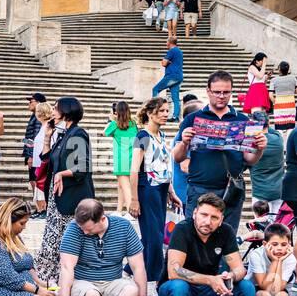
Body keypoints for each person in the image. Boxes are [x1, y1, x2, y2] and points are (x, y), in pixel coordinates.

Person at [172, 70, 268, 233]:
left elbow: (250, 160)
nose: (222, 96)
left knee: (226, 239)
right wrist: (184, 143)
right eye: (217, 92)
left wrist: (259, 148)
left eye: (226, 92)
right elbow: (177, 157)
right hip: (199, 188)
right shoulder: (192, 118)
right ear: (208, 91)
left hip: (230, 189)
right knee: (193, 237)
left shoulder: (243, 120)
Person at [160, 193, 255, 296]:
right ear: (194, 213)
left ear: (221, 220)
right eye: (204, 215)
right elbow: (174, 271)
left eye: (214, 217)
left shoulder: (226, 231)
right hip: (177, 290)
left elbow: (240, 269)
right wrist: (210, 280)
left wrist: (231, 276)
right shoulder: (182, 229)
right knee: (178, 287)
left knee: (246, 287)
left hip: (209, 291)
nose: (208, 221)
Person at [57, 198, 148, 296]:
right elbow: (66, 268)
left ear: (102, 219)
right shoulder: (75, 228)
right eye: (82, 228)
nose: (84, 232)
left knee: (131, 290)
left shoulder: (124, 227)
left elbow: (138, 267)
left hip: (113, 282)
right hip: (83, 282)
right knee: (92, 295)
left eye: (88, 229)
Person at [36, 96, 94, 286]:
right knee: (53, 240)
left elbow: (82, 167)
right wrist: (47, 136)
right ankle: (50, 279)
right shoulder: (63, 134)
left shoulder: (78, 134)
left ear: (66, 111)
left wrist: (61, 173)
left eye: (56, 107)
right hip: (58, 197)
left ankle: (64, 279)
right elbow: (46, 157)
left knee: (68, 241)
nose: (52, 111)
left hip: (72, 198)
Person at [130, 98, 180, 284]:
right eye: (162, 111)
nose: (166, 115)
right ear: (150, 113)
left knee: (156, 232)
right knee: (154, 235)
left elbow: (165, 166)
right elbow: (134, 169)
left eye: (167, 111)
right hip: (147, 188)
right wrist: (134, 199)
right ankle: (154, 274)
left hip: (161, 187)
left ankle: (132, 267)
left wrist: (171, 191)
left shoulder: (162, 135)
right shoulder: (142, 136)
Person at [246, 222, 296, 296]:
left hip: (278, 288)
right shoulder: (256, 255)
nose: (279, 248)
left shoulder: (291, 259)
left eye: (284, 244)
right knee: (265, 295)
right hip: (256, 288)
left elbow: (278, 289)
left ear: (289, 245)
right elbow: (263, 286)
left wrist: (279, 261)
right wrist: (274, 261)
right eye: (275, 244)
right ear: (265, 244)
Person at [104, 101, 137, 215]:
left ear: (116, 112)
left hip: (121, 158)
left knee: (126, 187)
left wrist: (111, 119)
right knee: (121, 185)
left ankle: (130, 211)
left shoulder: (114, 124)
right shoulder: (133, 123)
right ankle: (119, 210)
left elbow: (105, 132)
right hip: (132, 157)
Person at [248, 108, 285, 209]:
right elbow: (270, 130)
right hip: (279, 191)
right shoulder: (278, 138)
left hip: (260, 193)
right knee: (277, 223)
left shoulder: (251, 144)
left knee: (260, 223)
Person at [152, 35, 184, 120]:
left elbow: (163, 63)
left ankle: (155, 111)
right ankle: (175, 116)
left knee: (155, 89)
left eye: (166, 42)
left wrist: (167, 61)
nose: (166, 44)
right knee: (175, 98)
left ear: (169, 43)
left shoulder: (171, 51)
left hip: (171, 76)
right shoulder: (179, 51)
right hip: (179, 76)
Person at [269, 60, 297, 129]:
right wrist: (291, 91)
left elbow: (270, 95)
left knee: (279, 127)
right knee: (290, 127)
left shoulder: (274, 80)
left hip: (279, 106)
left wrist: (275, 102)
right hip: (290, 105)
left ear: (279, 69)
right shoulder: (293, 78)